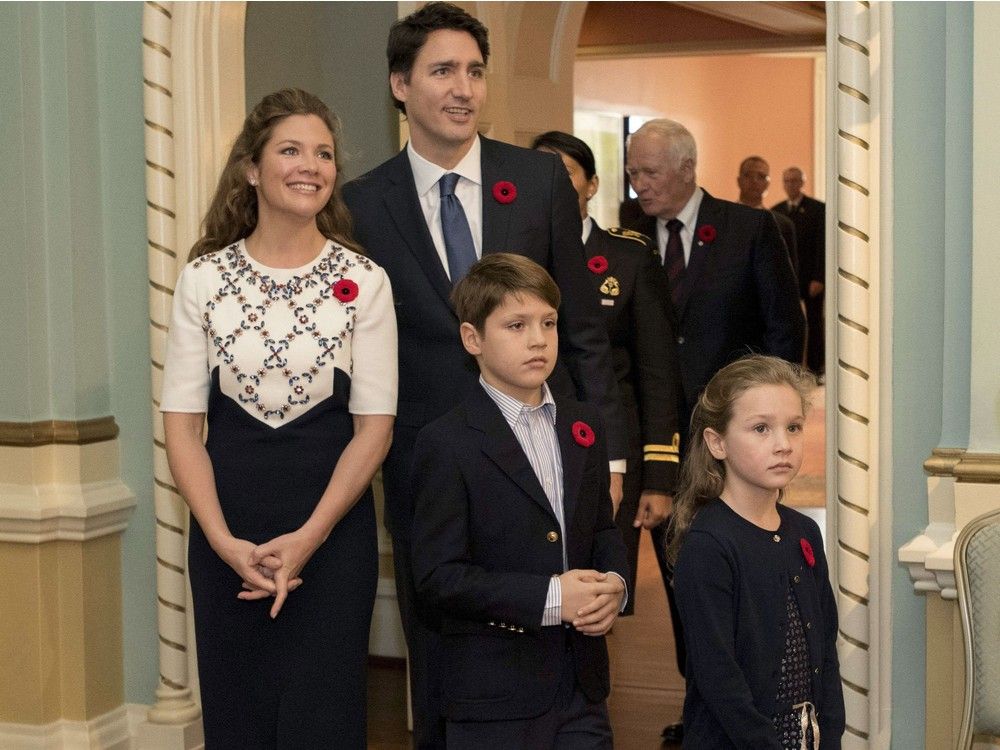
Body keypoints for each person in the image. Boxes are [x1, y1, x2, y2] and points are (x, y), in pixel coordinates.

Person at [342, 4, 624, 746]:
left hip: (546, 458)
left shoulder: (536, 181)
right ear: (400, 86)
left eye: (474, 71)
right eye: (442, 71)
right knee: (444, 664)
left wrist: (611, 453)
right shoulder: (362, 205)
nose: (463, 88)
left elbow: (585, 331)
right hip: (429, 474)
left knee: (562, 641)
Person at [161, 88, 397, 748]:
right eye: (290, 150)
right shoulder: (203, 280)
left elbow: (373, 430)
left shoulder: (366, 282)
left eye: (323, 154)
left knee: (323, 720)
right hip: (223, 537)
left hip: (330, 538)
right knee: (238, 722)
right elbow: (182, 429)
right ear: (251, 168)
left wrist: (311, 537)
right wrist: (220, 540)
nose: (310, 165)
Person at [625, 119, 804, 744]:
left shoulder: (748, 228)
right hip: (660, 439)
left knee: (739, 572)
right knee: (681, 579)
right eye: (632, 171)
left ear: (685, 169)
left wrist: (774, 414)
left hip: (734, 440)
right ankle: (699, 710)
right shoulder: (627, 230)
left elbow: (785, 327)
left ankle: (749, 711)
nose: (637, 183)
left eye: (648, 172)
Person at [409, 253, 629, 750]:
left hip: (582, 690)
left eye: (548, 323)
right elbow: (437, 578)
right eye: (516, 324)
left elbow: (603, 531)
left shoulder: (583, 426)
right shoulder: (447, 442)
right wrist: (553, 598)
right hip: (493, 699)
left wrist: (614, 584)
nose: (538, 339)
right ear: (472, 339)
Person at [532, 130, 682, 619]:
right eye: (541, 172)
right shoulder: (514, 260)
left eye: (565, 172)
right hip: (532, 443)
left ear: (592, 184)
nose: (551, 184)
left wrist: (658, 477)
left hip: (611, 450)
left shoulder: (628, 257)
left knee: (602, 597)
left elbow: (656, 373)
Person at [667, 355, 844, 749]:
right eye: (761, 429)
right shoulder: (710, 545)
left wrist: (830, 734)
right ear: (717, 442)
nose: (783, 445)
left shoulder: (804, 532)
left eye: (793, 427)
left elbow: (825, 648)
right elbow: (719, 679)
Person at [772, 167, 826, 376]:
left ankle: (815, 367)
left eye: (795, 181)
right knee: (788, 321)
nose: (791, 185)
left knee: (814, 322)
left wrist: (819, 277)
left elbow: (822, 245)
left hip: (811, 277)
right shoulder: (776, 211)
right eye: (787, 181)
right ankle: (790, 368)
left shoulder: (817, 209)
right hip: (787, 277)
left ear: (802, 182)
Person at [736, 156, 799, 283]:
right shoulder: (722, 220)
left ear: (767, 183)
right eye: (748, 175)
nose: (754, 181)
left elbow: (789, 274)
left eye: (761, 176)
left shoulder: (783, 225)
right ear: (739, 180)